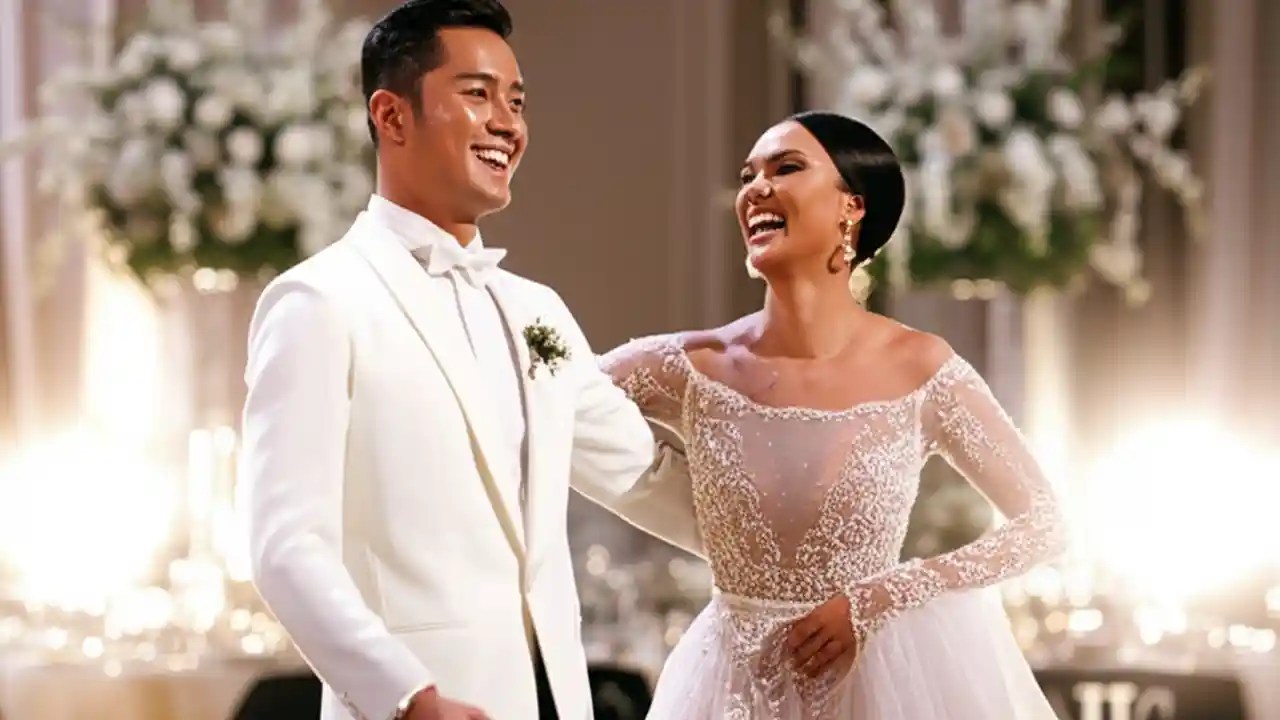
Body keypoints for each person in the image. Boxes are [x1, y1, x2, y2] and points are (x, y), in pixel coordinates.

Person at [239, 2, 696, 719]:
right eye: (478, 95)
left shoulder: (535, 309)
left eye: (516, 102)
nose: (508, 124)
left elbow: (646, 478)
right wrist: (407, 697)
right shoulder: (319, 301)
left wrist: (799, 543)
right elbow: (284, 546)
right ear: (392, 117)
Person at [600, 112, 1066, 718]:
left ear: (852, 207)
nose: (755, 189)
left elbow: (1045, 524)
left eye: (786, 168)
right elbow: (548, 406)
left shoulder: (920, 366)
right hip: (723, 689)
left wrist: (880, 597)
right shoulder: (689, 365)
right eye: (749, 175)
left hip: (873, 684)